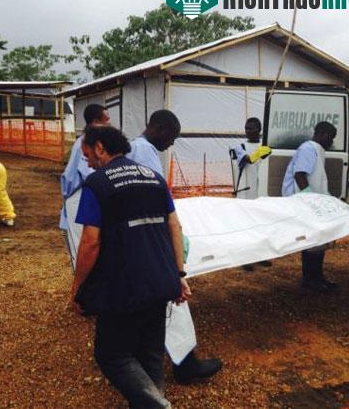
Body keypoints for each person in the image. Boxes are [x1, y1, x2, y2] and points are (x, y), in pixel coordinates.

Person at [70, 125, 188, 409]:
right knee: (150, 352)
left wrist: (77, 287)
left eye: (87, 155)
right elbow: (175, 226)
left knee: (111, 354)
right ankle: (153, 399)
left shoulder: (97, 183)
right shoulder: (155, 178)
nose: (86, 161)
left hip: (123, 284)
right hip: (161, 279)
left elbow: (90, 242)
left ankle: (157, 406)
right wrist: (179, 274)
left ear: (100, 147)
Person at [126, 109, 223, 384]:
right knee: (173, 295)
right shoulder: (145, 152)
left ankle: (142, 359)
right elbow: (158, 200)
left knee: (146, 304)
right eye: (172, 137)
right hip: (152, 236)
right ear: (160, 128)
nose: (172, 143)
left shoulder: (133, 148)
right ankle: (185, 364)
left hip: (135, 237)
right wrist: (173, 243)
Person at [282, 121, 339, 293]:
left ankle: (317, 278)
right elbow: (300, 175)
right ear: (324, 134)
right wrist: (310, 198)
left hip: (312, 200)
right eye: (332, 139)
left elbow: (318, 178)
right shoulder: (308, 149)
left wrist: (328, 199)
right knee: (312, 241)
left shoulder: (316, 150)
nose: (332, 143)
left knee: (318, 241)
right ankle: (310, 280)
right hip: (304, 201)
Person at [60, 103, 110, 269]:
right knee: (82, 245)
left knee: (93, 243)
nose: (109, 123)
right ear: (96, 121)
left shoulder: (92, 141)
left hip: (86, 195)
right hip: (79, 195)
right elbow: (88, 173)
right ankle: (82, 288)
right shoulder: (85, 143)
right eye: (106, 120)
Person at [231, 117, 272, 270]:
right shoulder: (240, 146)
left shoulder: (265, 146)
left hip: (261, 190)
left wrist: (267, 150)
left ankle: (259, 255)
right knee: (245, 224)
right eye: (246, 128)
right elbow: (247, 159)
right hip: (245, 191)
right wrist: (259, 153)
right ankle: (245, 258)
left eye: (252, 128)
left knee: (260, 223)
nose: (248, 131)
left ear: (259, 129)